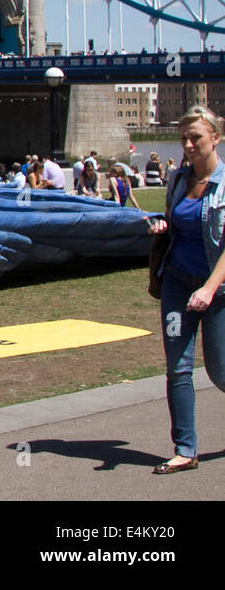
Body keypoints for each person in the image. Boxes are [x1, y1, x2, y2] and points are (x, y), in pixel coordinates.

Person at [146, 106, 225, 474]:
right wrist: (162, 227)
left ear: (216, 138)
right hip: (178, 282)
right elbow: (176, 222)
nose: (189, 145)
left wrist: (210, 288)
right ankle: (185, 449)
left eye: (196, 137)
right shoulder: (178, 180)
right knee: (178, 367)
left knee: (219, 371)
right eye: (184, 139)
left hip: (217, 288)